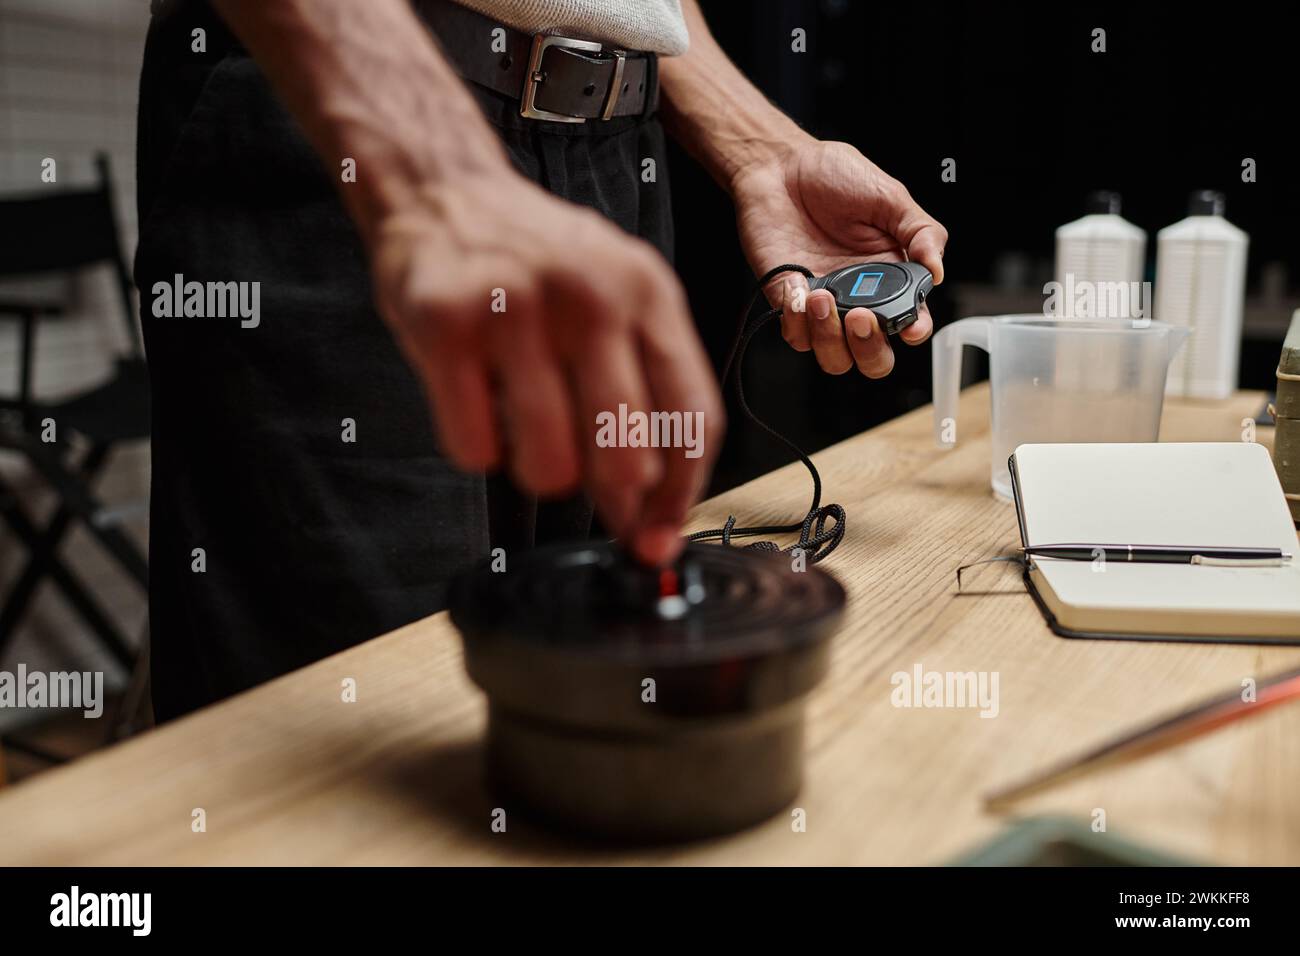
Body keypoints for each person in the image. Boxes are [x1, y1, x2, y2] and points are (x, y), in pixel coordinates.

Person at [135, 0, 947, 720]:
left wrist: (760, 151)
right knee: (368, 735)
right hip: (351, 117)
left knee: (575, 714)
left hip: (617, 146)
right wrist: (436, 172)